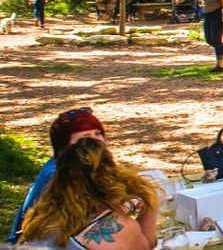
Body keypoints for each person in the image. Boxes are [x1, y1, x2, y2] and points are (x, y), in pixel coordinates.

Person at [19, 137, 158, 250]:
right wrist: (150, 204)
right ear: (112, 175)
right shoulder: (119, 229)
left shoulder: (41, 217)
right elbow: (147, 245)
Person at [8, 107, 108, 244]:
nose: (96, 141)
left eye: (98, 134)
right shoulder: (59, 174)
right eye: (85, 138)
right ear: (65, 145)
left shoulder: (82, 164)